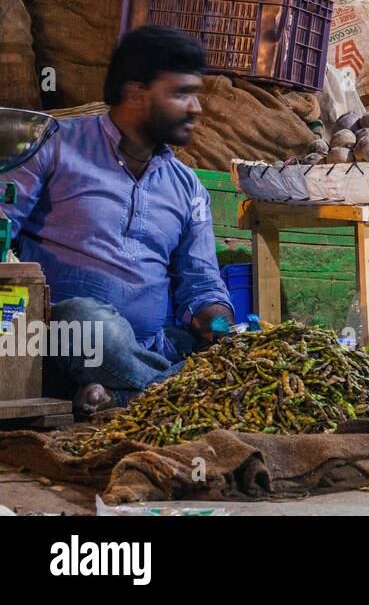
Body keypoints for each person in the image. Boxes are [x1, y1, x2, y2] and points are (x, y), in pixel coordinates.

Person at [5, 26, 234, 414]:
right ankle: (189, 396)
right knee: (88, 322)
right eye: (181, 93)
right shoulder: (55, 146)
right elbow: (1, 223)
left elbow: (202, 285)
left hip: (154, 345)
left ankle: (121, 395)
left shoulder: (188, 187)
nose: (196, 107)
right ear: (135, 93)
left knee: (229, 348)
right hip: (58, 341)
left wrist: (224, 333)